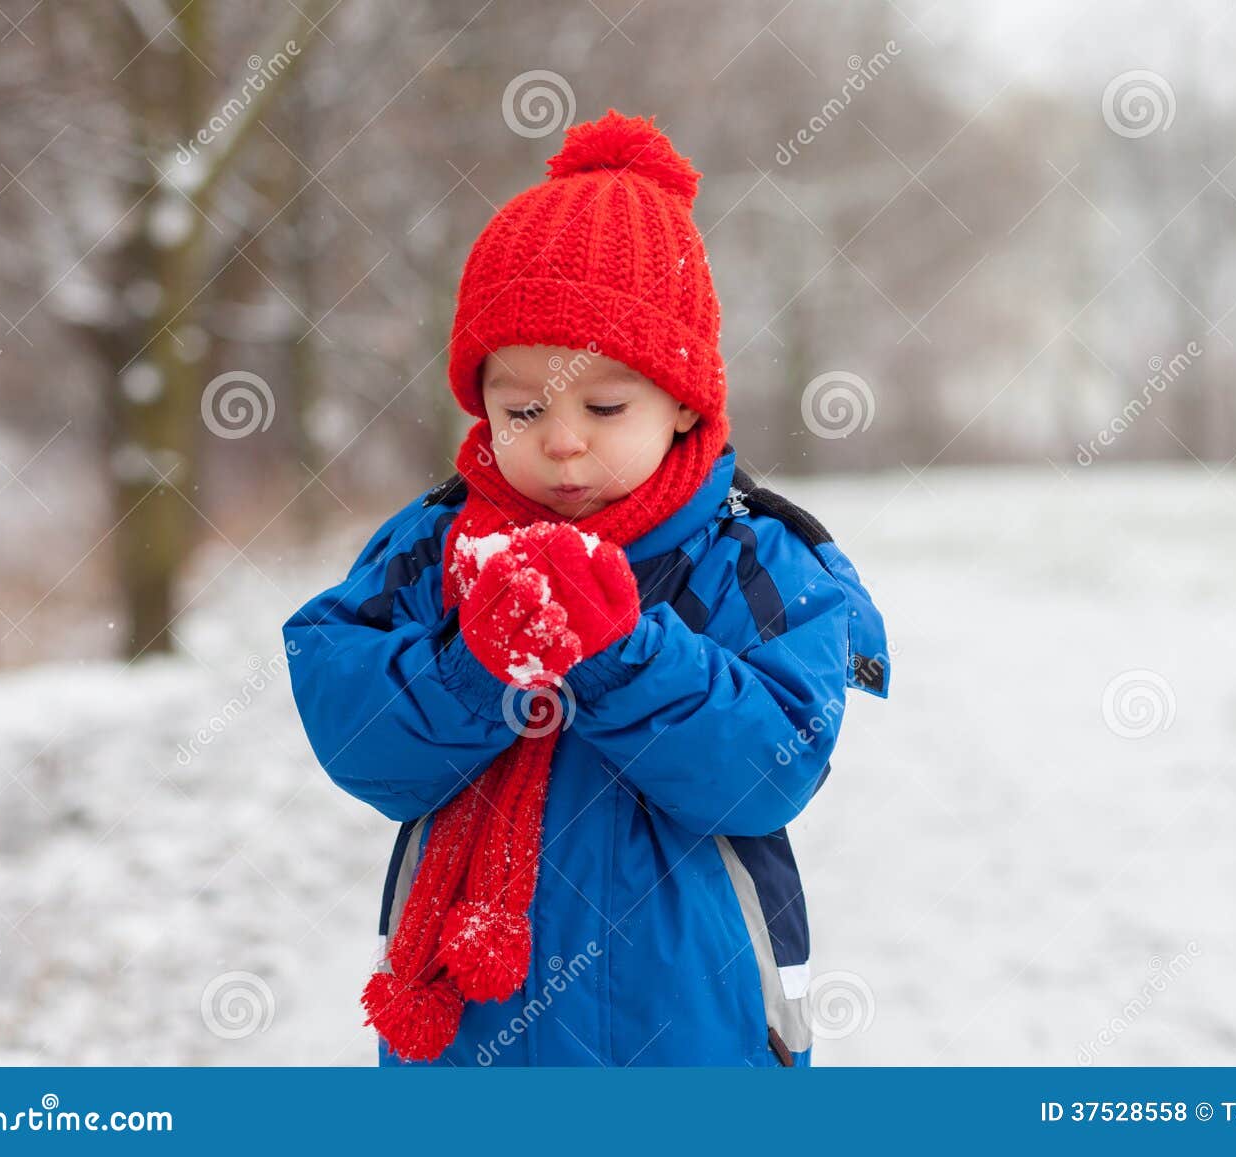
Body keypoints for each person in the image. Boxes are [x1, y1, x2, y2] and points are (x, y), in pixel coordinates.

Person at [284, 109, 891, 1067]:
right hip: (469, 1043)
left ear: (685, 397)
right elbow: (358, 734)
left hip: (693, 1031)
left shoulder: (754, 557)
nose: (561, 439)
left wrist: (623, 657)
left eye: (604, 405)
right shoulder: (436, 546)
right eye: (521, 406)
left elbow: (775, 766)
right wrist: (474, 670)